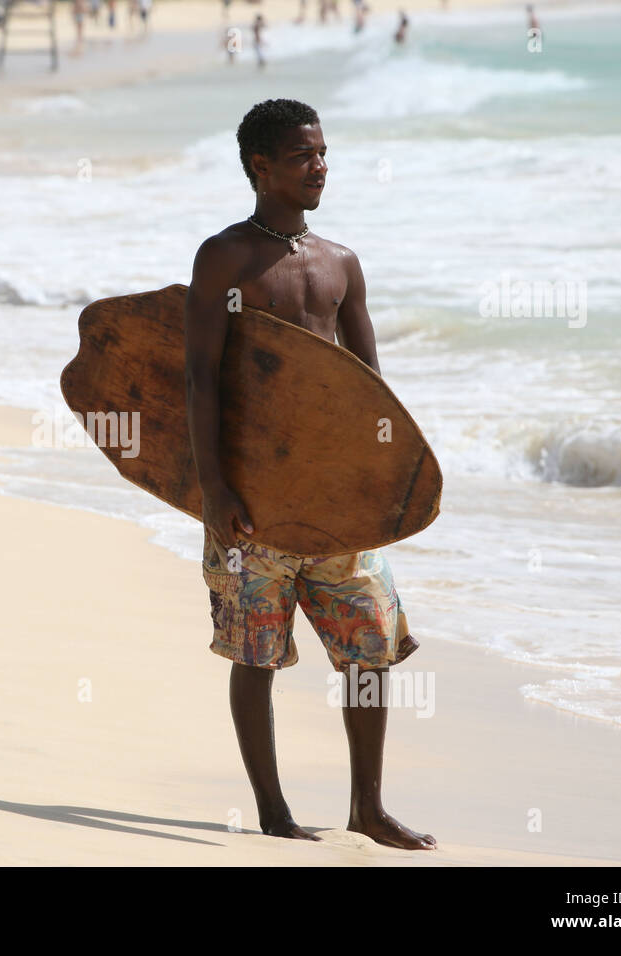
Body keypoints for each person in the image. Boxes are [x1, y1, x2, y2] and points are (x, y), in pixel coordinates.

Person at [183, 99, 436, 850]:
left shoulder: (341, 264)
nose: (320, 165)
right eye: (302, 155)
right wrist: (215, 490)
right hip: (252, 499)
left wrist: (384, 487)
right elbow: (199, 379)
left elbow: (372, 393)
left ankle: (367, 805)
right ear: (261, 166)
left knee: (370, 643)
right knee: (254, 651)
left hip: (336, 503)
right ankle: (271, 809)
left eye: (322, 151)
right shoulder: (224, 258)